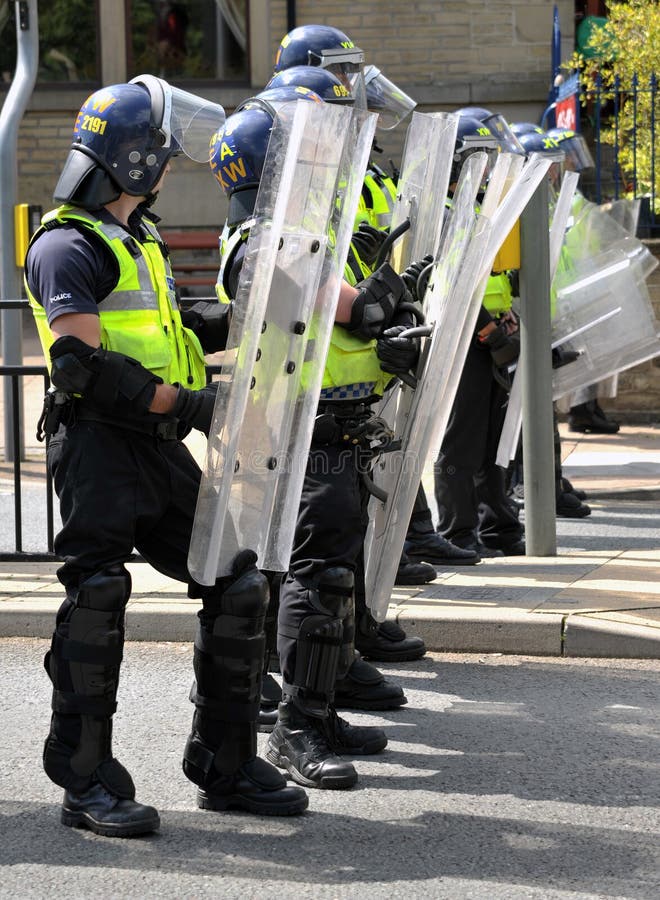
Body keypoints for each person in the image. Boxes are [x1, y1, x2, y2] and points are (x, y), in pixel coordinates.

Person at [24, 77, 309, 837]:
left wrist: (257, 311)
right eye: (165, 154)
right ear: (135, 158)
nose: (174, 165)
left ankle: (225, 764)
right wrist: (189, 407)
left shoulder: (136, 237)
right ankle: (85, 783)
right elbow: (83, 367)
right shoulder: (64, 245)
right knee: (98, 596)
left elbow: (177, 329)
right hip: (97, 449)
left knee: (237, 582)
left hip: (156, 447)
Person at [209, 97, 426, 788]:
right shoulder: (263, 239)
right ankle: (296, 728)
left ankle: (319, 709)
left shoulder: (290, 232)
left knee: (334, 578)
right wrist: (384, 301)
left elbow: (347, 328)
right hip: (299, 430)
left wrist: (385, 337)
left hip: (332, 425)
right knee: (316, 579)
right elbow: (353, 310)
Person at [433, 114, 526, 558]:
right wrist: (488, 323)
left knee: (493, 440)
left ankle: (497, 525)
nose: (490, 171)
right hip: (463, 338)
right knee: (462, 440)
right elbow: (448, 278)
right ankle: (457, 530)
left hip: (489, 332)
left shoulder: (475, 208)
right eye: (481, 160)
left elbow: (493, 275)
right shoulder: (447, 213)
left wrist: (504, 317)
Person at [506, 126, 591, 519]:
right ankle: (529, 483)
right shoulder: (521, 202)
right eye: (550, 167)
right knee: (525, 409)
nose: (557, 175)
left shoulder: (550, 201)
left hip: (547, 315)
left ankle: (550, 480)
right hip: (522, 319)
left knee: (543, 406)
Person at [546, 127, 621, 436]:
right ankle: (583, 411)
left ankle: (587, 408)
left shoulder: (570, 193)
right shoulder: (561, 196)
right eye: (568, 157)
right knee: (580, 352)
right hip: (567, 282)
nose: (574, 163)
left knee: (590, 351)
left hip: (580, 278)